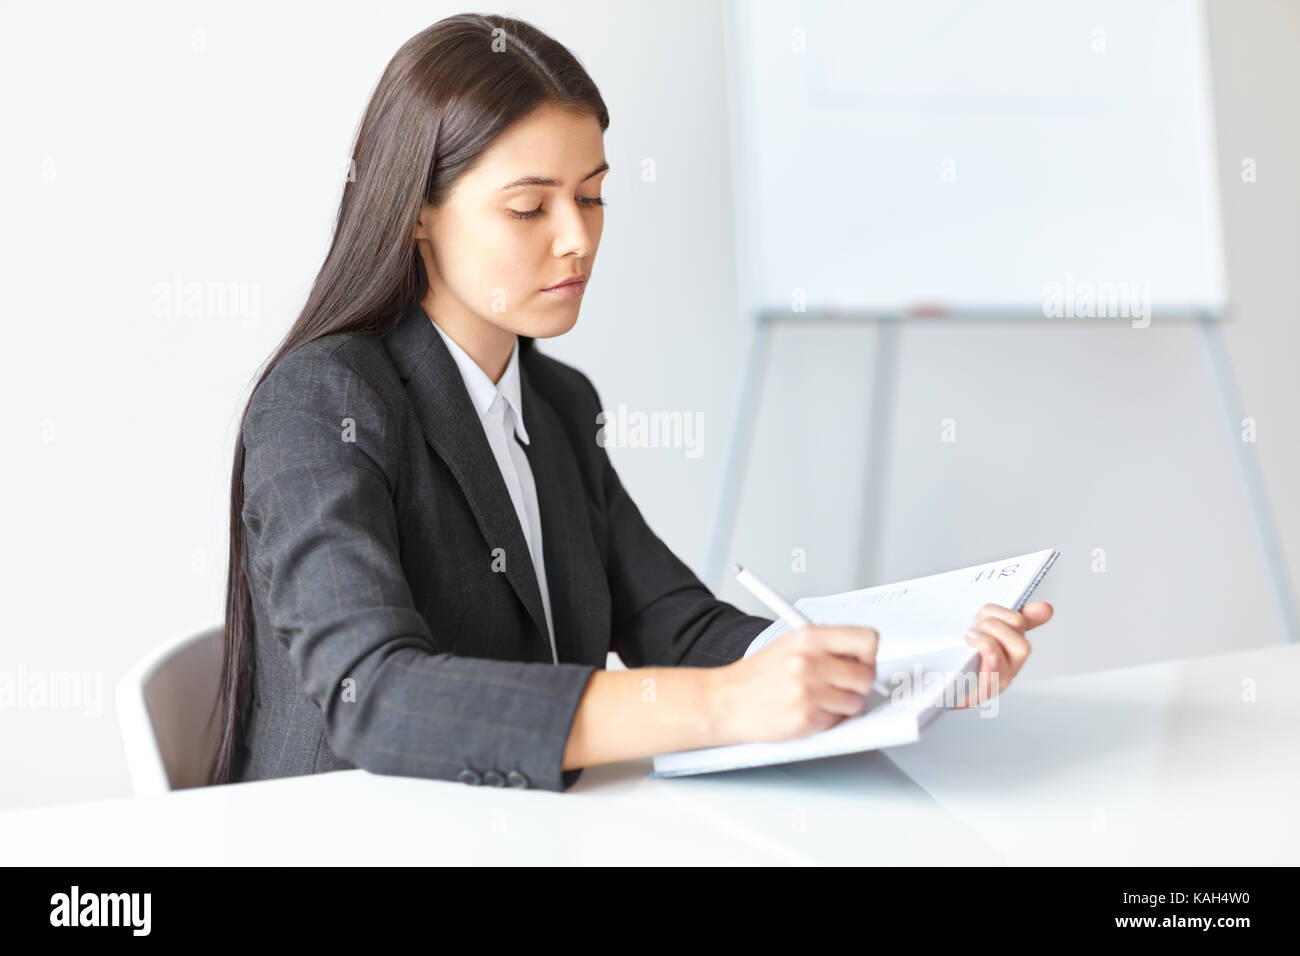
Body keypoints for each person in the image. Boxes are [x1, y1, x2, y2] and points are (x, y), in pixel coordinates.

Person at [208, 14, 1052, 792]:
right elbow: (375, 696)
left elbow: (675, 628)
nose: (576, 238)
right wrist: (723, 706)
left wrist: (914, 665)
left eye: (592, 195)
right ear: (418, 213)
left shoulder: (559, 404)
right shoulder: (321, 402)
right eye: (530, 206)